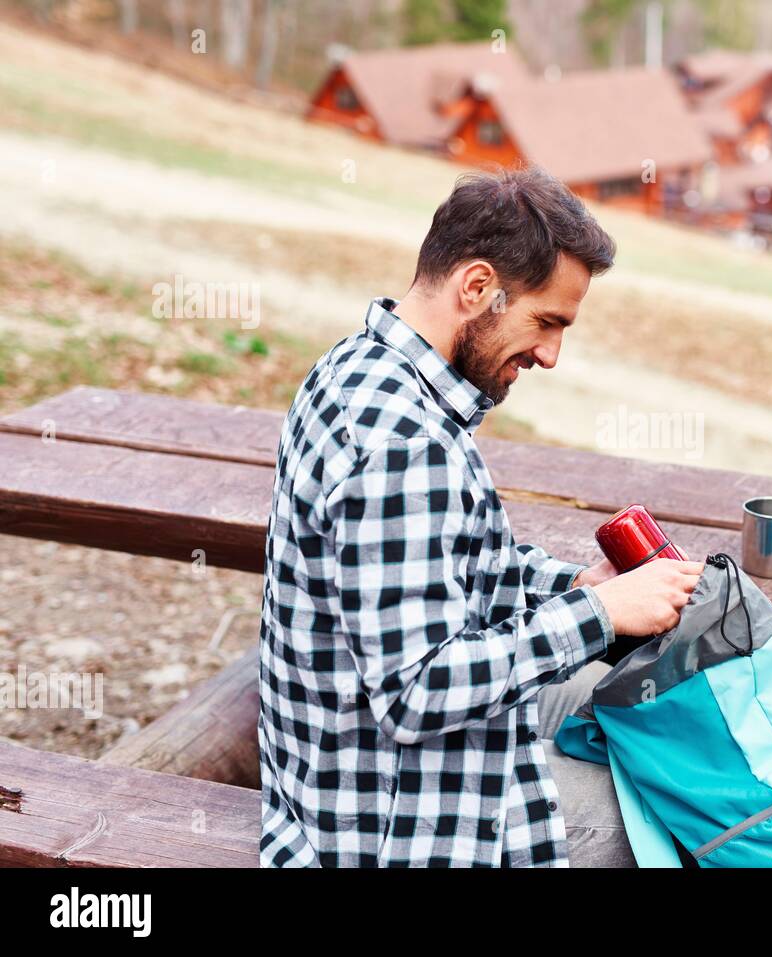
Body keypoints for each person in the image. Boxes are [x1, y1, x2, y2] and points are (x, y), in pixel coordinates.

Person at [258, 165, 702, 868]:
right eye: (546, 321)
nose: (552, 355)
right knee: (692, 818)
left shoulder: (358, 368)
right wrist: (601, 616)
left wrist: (578, 590)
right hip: (388, 820)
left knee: (631, 709)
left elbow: (446, 567)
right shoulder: (405, 445)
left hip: (329, 768)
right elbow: (415, 692)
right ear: (477, 288)